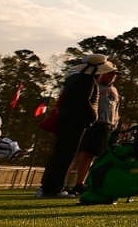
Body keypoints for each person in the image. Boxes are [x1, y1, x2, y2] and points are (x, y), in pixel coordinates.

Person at [39, 54, 116, 198]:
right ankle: (53, 188)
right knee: (64, 155)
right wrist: (93, 116)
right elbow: (84, 102)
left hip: (70, 122)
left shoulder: (78, 79)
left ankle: (51, 187)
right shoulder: (85, 81)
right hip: (74, 123)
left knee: (62, 154)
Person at [71, 68, 121, 192]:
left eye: (114, 75)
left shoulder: (114, 91)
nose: (112, 77)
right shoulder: (94, 86)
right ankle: (64, 183)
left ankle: (79, 184)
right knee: (78, 155)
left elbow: (116, 109)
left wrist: (114, 123)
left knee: (91, 156)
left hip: (105, 126)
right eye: (110, 74)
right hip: (91, 124)